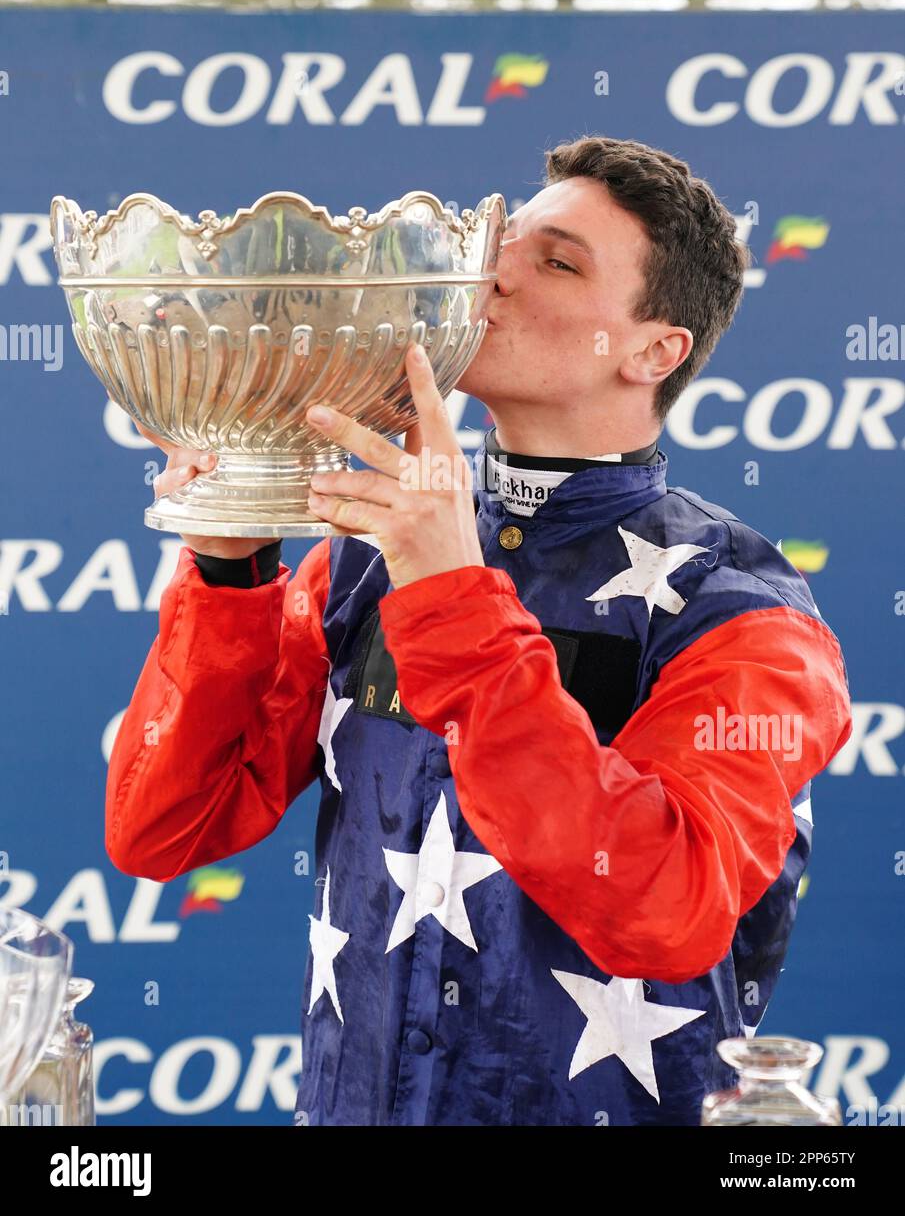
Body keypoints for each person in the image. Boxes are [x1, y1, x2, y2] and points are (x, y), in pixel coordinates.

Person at [106, 135, 852, 1126]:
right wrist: (228, 566)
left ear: (650, 350)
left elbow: (662, 905)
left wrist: (452, 590)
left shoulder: (744, 609)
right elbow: (163, 827)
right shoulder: (361, 557)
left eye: (554, 261)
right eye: (501, 238)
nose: (489, 270)